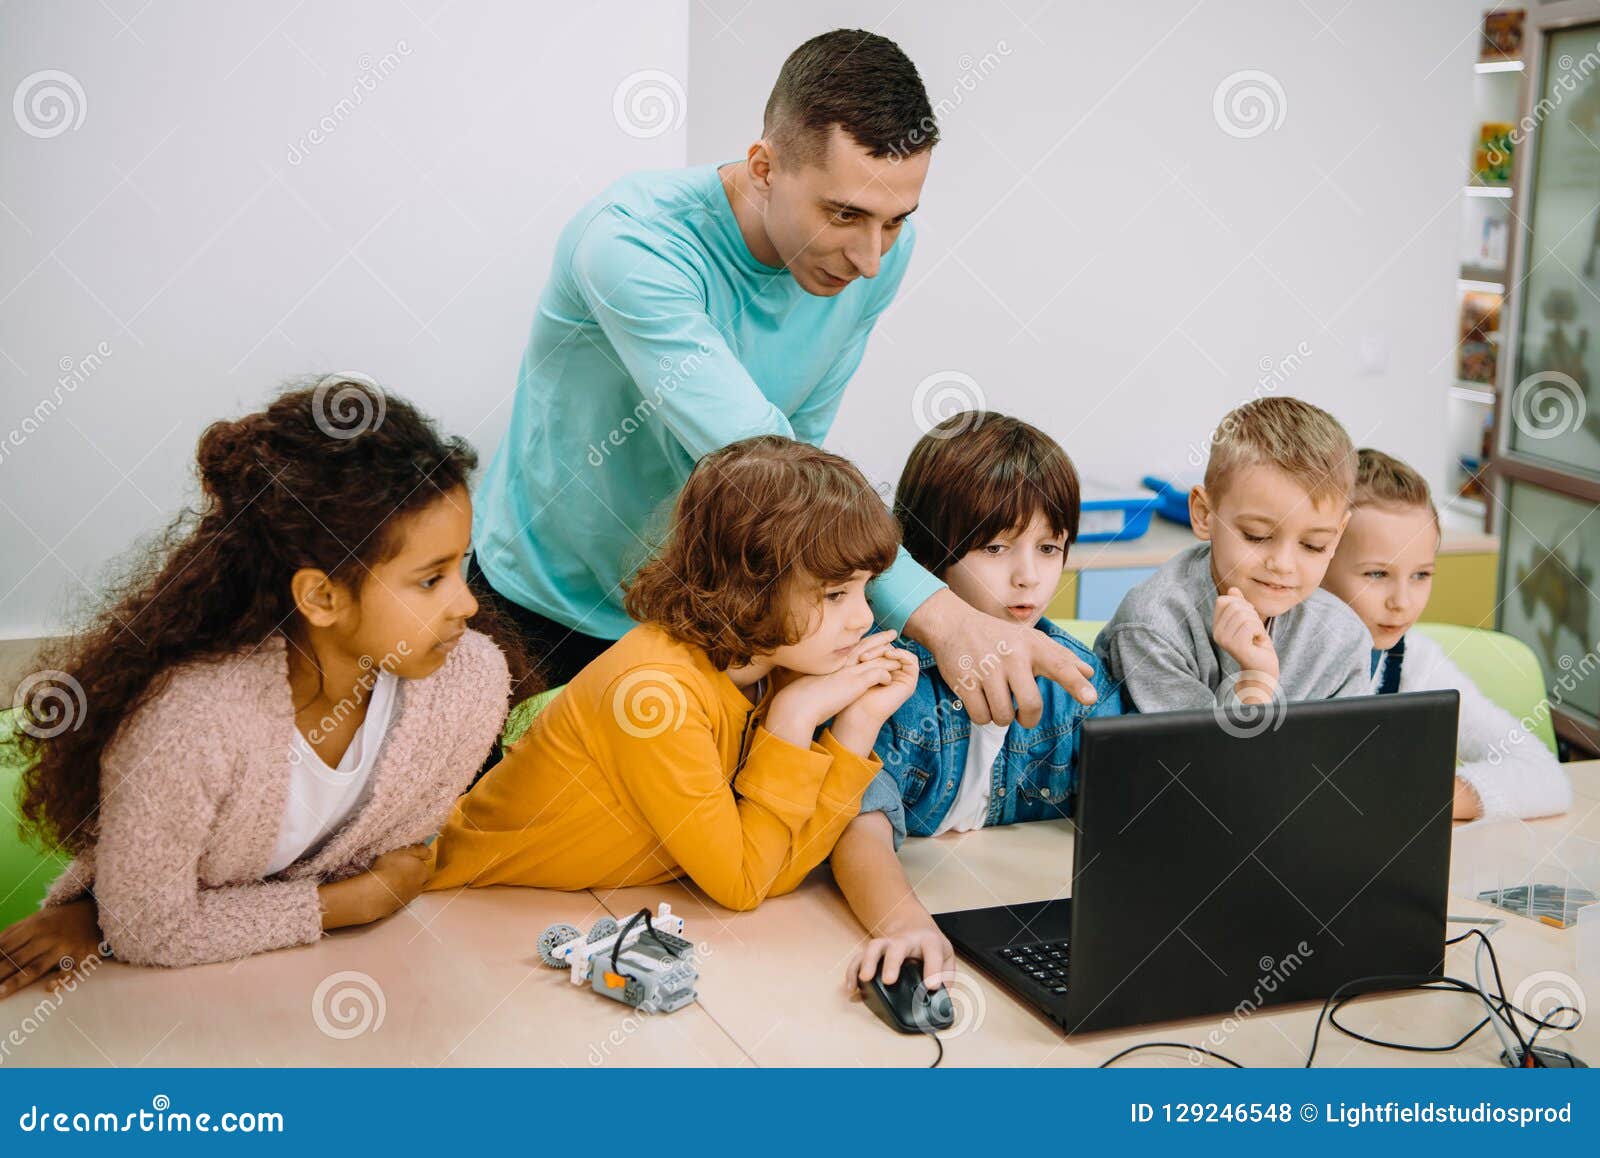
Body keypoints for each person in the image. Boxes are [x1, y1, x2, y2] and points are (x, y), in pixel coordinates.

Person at [470, 28, 1095, 721]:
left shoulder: (875, 258)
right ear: (764, 167)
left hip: (703, 621)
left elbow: (805, 457)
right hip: (547, 609)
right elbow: (772, 466)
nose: (870, 259)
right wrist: (946, 621)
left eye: (894, 221)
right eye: (845, 214)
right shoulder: (631, 244)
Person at [0, 380, 518, 991]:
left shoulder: (470, 683)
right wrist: (350, 904)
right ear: (322, 597)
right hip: (158, 996)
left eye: (461, 564)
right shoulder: (191, 721)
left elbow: (394, 859)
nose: (467, 604)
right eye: (430, 580)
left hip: (335, 978)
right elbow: (149, 927)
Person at [427, 436, 920, 911]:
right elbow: (744, 885)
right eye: (835, 594)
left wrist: (857, 725)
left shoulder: (774, 671)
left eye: (865, 589)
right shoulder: (656, 692)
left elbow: (774, 868)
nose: (863, 618)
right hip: (454, 903)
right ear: (750, 586)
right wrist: (792, 721)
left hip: (552, 906)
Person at [829, 413, 1123, 988]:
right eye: (995, 547)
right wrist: (903, 923)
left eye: (1049, 547)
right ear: (924, 554)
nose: (1028, 577)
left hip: (1018, 921)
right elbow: (855, 825)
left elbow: (1135, 804)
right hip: (919, 917)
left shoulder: (1076, 679)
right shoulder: (884, 678)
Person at [1322, 448, 1571, 821]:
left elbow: (1546, 778)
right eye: (1377, 574)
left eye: (1421, 575)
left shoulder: (1416, 663)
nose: (1402, 602)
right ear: (1318, 562)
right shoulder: (1271, 658)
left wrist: (1425, 795)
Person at [1096, 396, 1371, 712]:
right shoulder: (1152, 627)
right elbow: (1190, 746)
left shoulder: (1344, 636)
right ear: (1204, 514)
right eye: (1257, 536)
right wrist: (1255, 685)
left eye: (1313, 544)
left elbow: (1349, 744)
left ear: (1337, 535)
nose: (1282, 565)